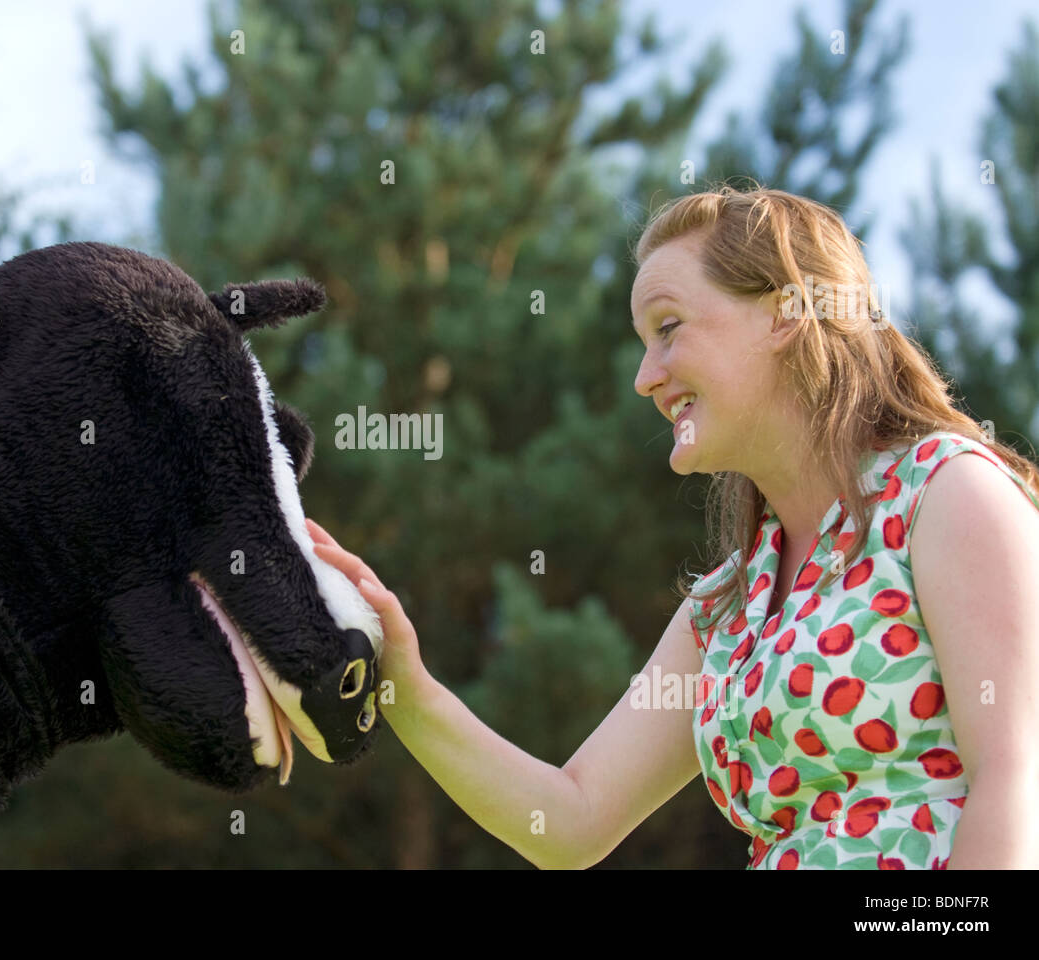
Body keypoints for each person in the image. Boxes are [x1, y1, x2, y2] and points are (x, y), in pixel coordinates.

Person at [306, 183, 1039, 870]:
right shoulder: (725, 607)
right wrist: (404, 684)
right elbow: (570, 820)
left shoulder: (947, 493)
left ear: (787, 311)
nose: (645, 377)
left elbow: (1018, 786)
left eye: (669, 329)